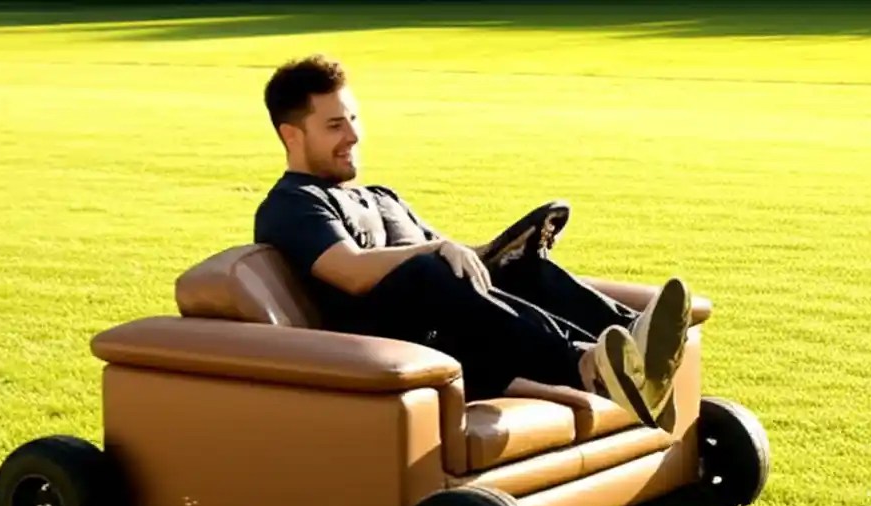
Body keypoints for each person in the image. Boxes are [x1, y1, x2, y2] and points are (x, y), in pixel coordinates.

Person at [252, 54, 692, 431]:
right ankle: (584, 364)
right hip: (393, 347)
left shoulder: (381, 197)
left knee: (517, 266)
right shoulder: (293, 204)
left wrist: (508, 250)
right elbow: (348, 270)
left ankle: (636, 343)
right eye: (334, 125)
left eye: (353, 119)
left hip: (451, 321)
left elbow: (462, 263)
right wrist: (433, 252)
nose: (352, 135)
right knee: (430, 269)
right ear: (293, 135)